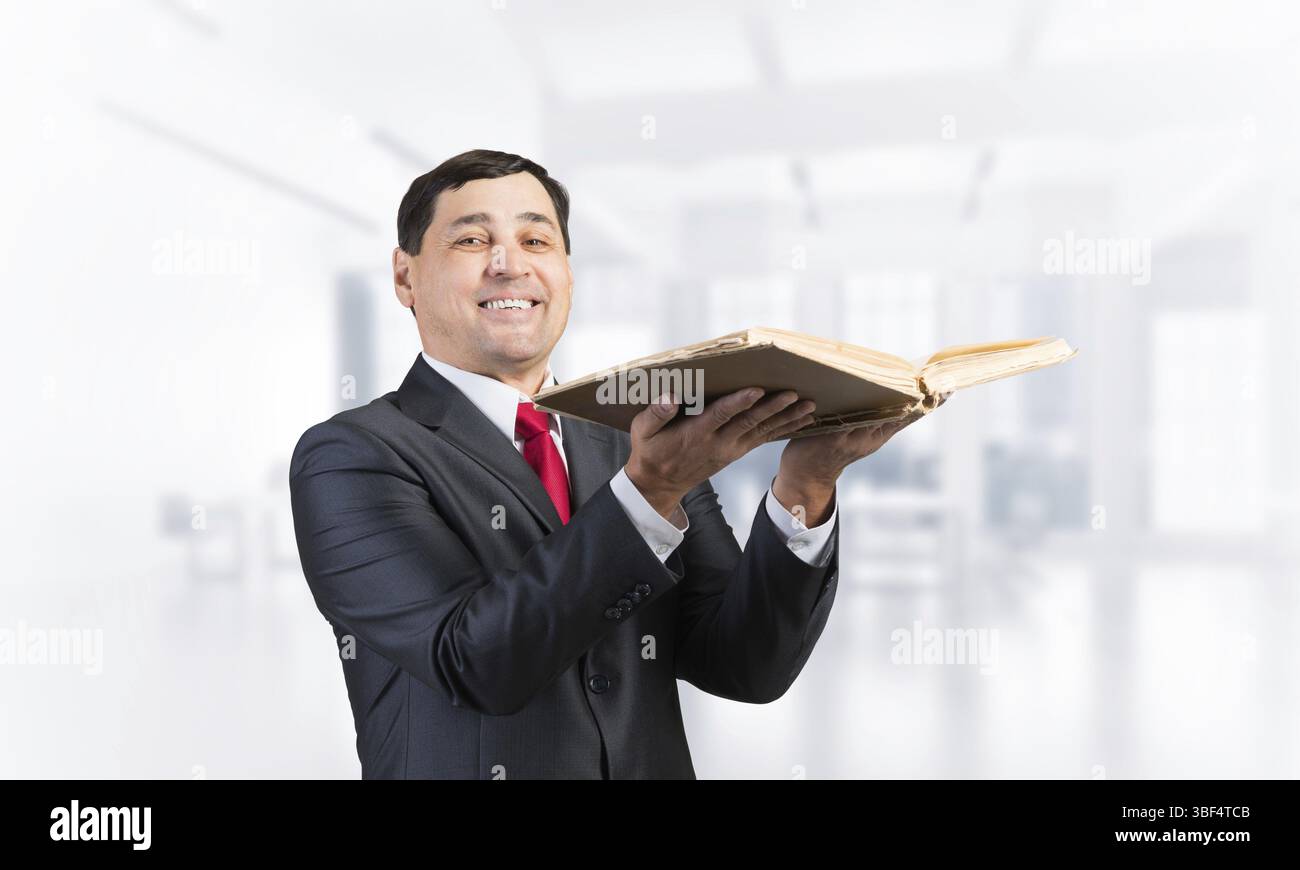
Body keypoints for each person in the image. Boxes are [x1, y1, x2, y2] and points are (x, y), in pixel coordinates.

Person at [288, 149, 934, 779]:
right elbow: (474, 662)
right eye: (472, 241)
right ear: (405, 276)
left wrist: (807, 483)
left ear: (567, 274)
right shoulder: (352, 455)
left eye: (537, 242)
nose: (509, 264)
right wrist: (652, 488)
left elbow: (744, 666)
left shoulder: (632, 439)